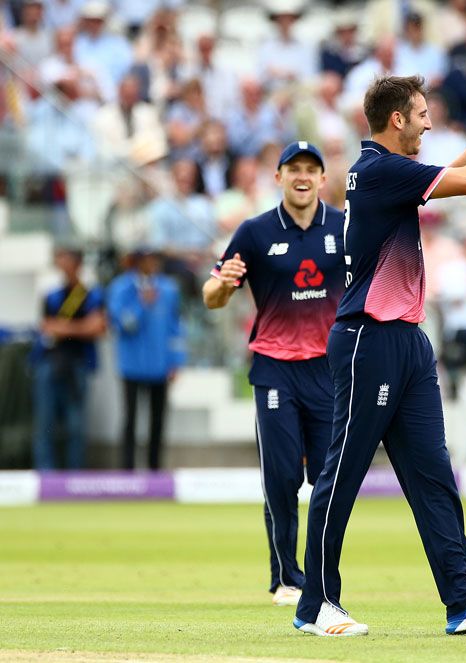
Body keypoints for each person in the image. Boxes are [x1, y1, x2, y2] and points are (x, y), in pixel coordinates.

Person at [293, 70, 466, 638]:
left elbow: (452, 172)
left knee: (433, 476)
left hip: (407, 341)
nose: (428, 124)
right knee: (342, 473)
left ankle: (464, 599)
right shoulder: (379, 170)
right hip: (369, 338)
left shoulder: (390, 171)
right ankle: (315, 605)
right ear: (396, 119)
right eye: (422, 115)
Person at [202, 141, 345, 608]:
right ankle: (287, 578)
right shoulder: (255, 231)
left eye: (310, 169)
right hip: (275, 368)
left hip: (329, 370)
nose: (302, 177)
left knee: (328, 479)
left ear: (322, 178)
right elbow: (212, 296)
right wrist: (224, 285)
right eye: (293, 169)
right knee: (282, 478)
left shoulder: (345, 227)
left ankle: (321, 577)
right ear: (279, 176)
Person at [107, 248, 185, 470]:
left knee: (158, 420)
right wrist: (142, 304)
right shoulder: (121, 287)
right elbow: (122, 324)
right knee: (130, 419)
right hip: (131, 365)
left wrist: (176, 361)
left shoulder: (168, 288)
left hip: (160, 366)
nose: (153, 264)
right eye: (148, 259)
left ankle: (154, 468)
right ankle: (128, 469)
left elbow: (176, 327)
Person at [31, 247, 106, 470]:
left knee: (76, 424)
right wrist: (79, 327)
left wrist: (64, 328)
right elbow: (46, 328)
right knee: (45, 422)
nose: (61, 264)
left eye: (66, 259)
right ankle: (46, 472)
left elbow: (97, 327)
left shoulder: (91, 295)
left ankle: (75, 474)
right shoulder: (52, 295)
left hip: (78, 364)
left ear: (77, 263)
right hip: (50, 363)